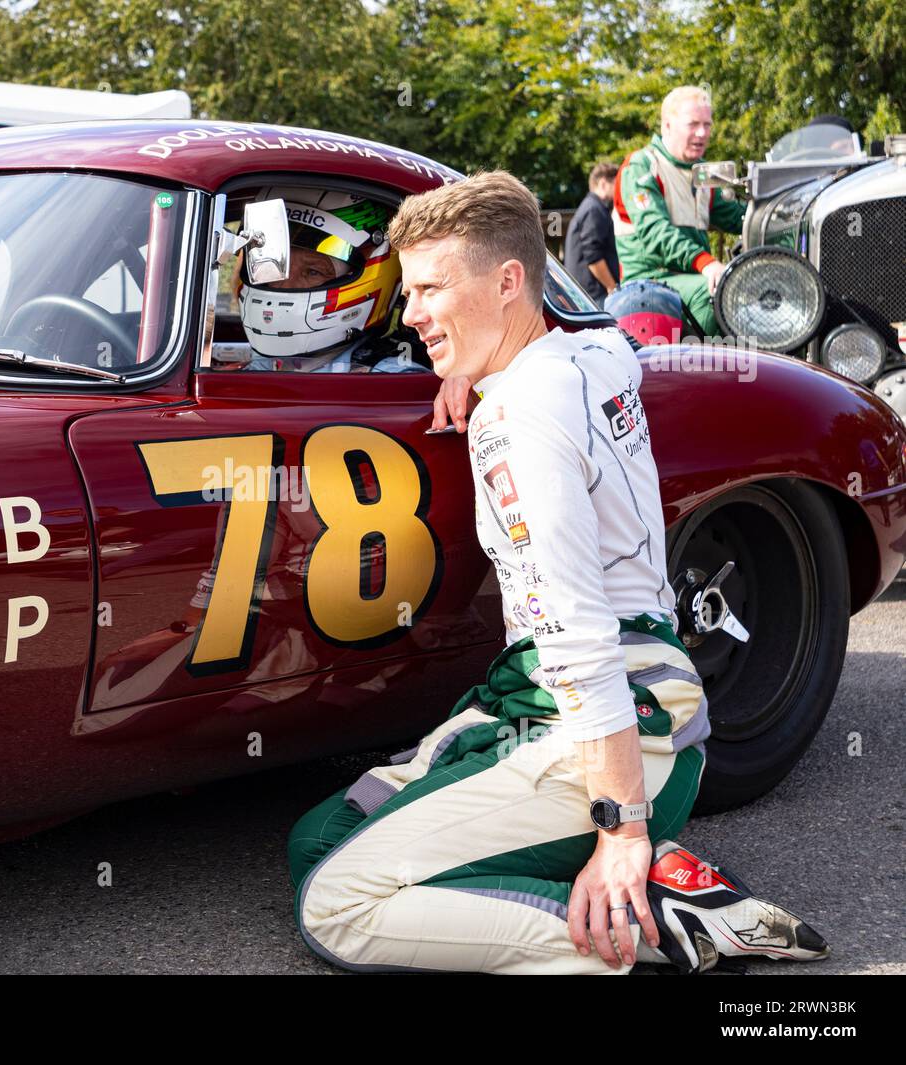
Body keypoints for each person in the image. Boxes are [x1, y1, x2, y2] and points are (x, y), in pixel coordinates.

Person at [286, 170, 830, 975]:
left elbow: (576, 629)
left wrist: (620, 827)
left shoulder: (518, 419)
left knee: (338, 903)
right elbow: (600, 336)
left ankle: (644, 930)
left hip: (606, 717)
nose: (411, 314)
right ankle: (659, 885)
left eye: (432, 288)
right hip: (589, 695)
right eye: (411, 291)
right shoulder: (596, 352)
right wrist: (473, 358)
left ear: (508, 281)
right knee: (322, 836)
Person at [236, 187, 427, 374]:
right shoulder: (261, 366)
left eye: (312, 272)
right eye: (276, 267)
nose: (285, 284)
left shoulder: (389, 384)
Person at [613, 86, 745, 337]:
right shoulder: (642, 166)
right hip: (648, 281)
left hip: (691, 276)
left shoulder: (703, 173)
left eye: (707, 125)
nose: (702, 133)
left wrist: (779, 216)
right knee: (719, 292)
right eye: (693, 124)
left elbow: (737, 216)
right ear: (667, 126)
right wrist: (706, 264)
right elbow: (656, 233)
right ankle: (713, 373)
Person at [564, 162, 620, 305]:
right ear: (603, 183)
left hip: (588, 292)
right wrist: (612, 287)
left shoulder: (591, 206)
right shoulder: (594, 209)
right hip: (593, 295)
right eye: (616, 183)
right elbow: (593, 255)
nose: (619, 189)